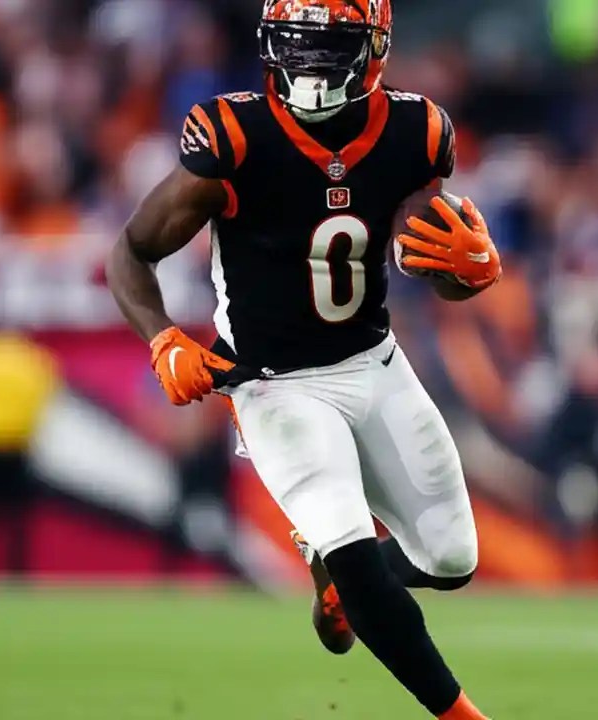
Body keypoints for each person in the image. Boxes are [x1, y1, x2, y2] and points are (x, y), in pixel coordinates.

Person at [107, 1, 501, 717]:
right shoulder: (236, 135)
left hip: (373, 363)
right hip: (274, 385)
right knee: (353, 552)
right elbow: (130, 252)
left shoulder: (417, 131)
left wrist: (466, 270)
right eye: (299, 43)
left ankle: (339, 587)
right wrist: (164, 337)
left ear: (375, 46)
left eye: (331, 44)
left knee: (451, 559)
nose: (312, 62)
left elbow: (426, 253)